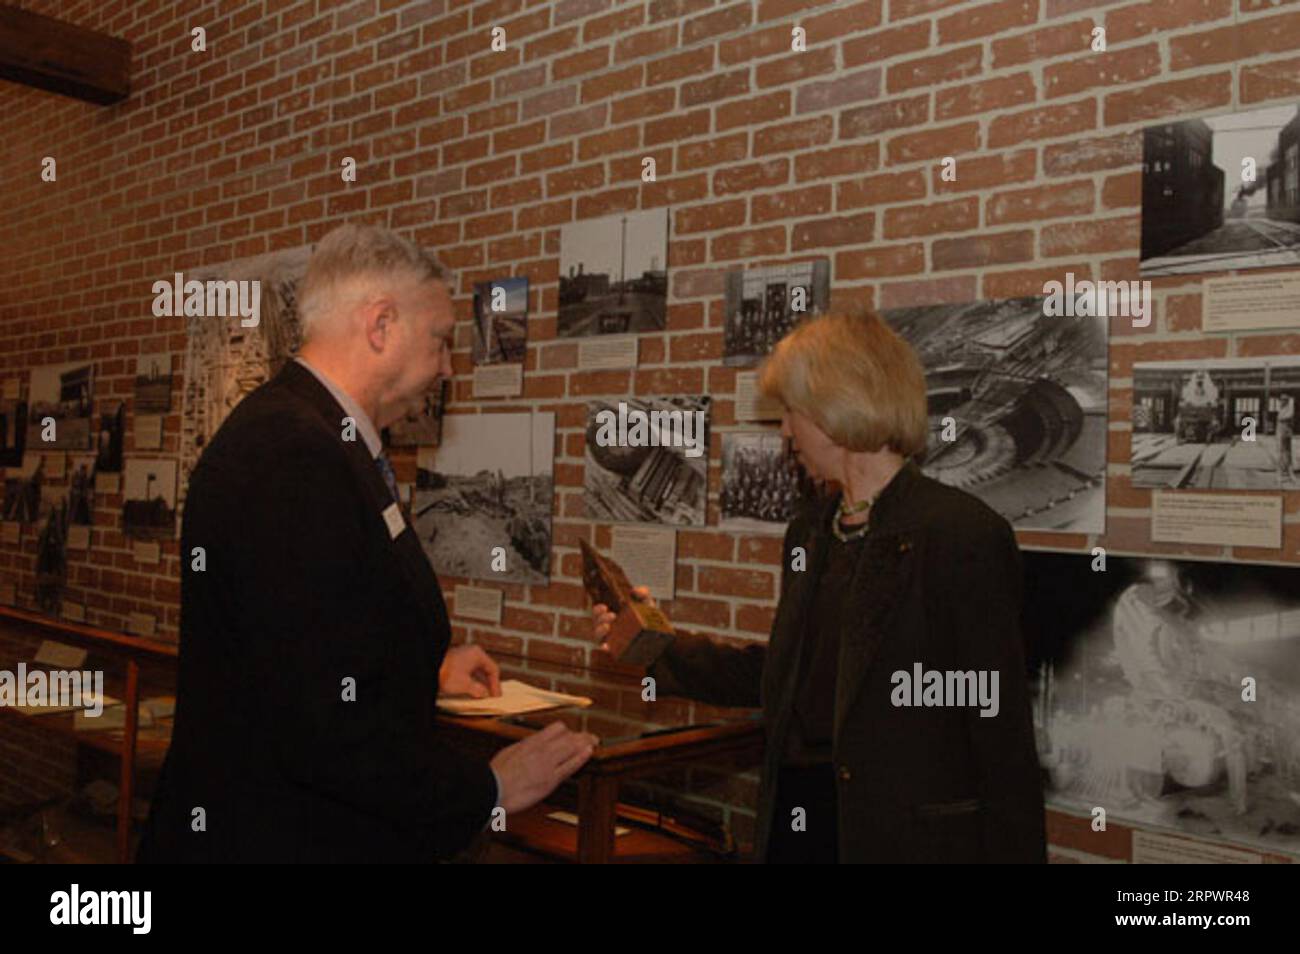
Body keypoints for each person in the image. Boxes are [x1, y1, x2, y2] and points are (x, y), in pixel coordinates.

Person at [139, 224, 595, 863]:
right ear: (381, 325)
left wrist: (422, 669)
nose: (445, 366)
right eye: (440, 340)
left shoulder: (320, 438)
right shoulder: (296, 454)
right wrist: (490, 786)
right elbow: (322, 728)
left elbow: (304, 643)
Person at [594, 310, 1045, 863]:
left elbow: (1000, 738)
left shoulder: (960, 535)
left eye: (790, 411)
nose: (784, 431)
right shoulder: (811, 531)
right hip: (802, 824)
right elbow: (788, 679)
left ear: (837, 407)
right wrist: (654, 646)